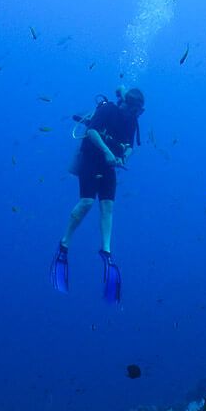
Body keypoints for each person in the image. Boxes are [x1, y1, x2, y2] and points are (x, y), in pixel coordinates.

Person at [50, 86, 145, 304]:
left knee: (108, 207)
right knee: (86, 202)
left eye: (139, 112)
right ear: (127, 105)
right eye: (135, 111)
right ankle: (64, 245)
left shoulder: (132, 121)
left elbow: (130, 146)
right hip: (91, 159)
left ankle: (107, 251)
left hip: (110, 164)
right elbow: (91, 131)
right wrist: (108, 152)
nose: (137, 115)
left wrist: (124, 158)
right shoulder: (108, 110)